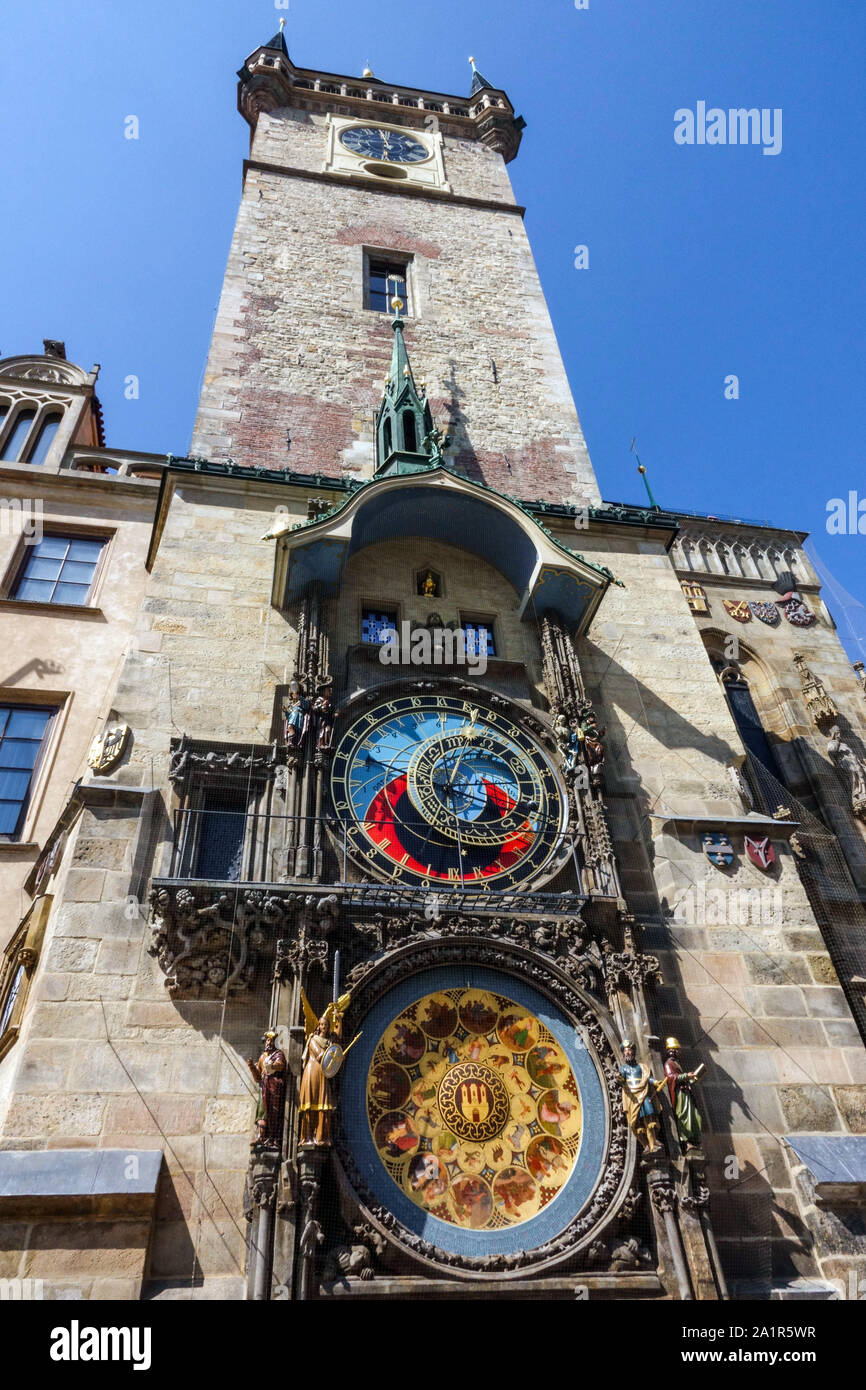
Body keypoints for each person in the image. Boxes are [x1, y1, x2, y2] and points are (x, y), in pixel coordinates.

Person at [247, 1030, 287, 1149]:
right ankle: (261, 1137)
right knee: (261, 1113)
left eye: (270, 1040)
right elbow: (258, 1078)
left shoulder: (278, 1054)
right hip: (264, 1088)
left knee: (273, 1113)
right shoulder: (262, 1057)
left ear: (274, 1042)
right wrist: (251, 1067)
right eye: (266, 1041)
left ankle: (273, 1139)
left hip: (273, 1089)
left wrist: (273, 1066)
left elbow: (281, 1065)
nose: (268, 1043)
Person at [619, 1040, 662, 1153]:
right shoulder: (624, 1068)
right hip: (632, 1097)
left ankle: (654, 1140)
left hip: (643, 1092)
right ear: (623, 1054)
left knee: (650, 1115)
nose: (628, 1053)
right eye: (626, 1051)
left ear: (633, 1052)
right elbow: (622, 1079)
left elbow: (648, 1078)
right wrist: (619, 1078)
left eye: (629, 1050)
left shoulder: (641, 1067)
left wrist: (655, 1082)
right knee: (636, 1122)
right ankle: (645, 1144)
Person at [664, 1037, 703, 1151]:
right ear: (672, 1050)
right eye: (677, 1050)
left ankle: (693, 1140)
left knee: (695, 1117)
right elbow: (671, 1077)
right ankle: (686, 1142)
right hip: (680, 1095)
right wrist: (686, 1076)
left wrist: (692, 1078)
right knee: (684, 1117)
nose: (679, 1052)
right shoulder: (669, 1063)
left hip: (686, 1092)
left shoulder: (676, 1063)